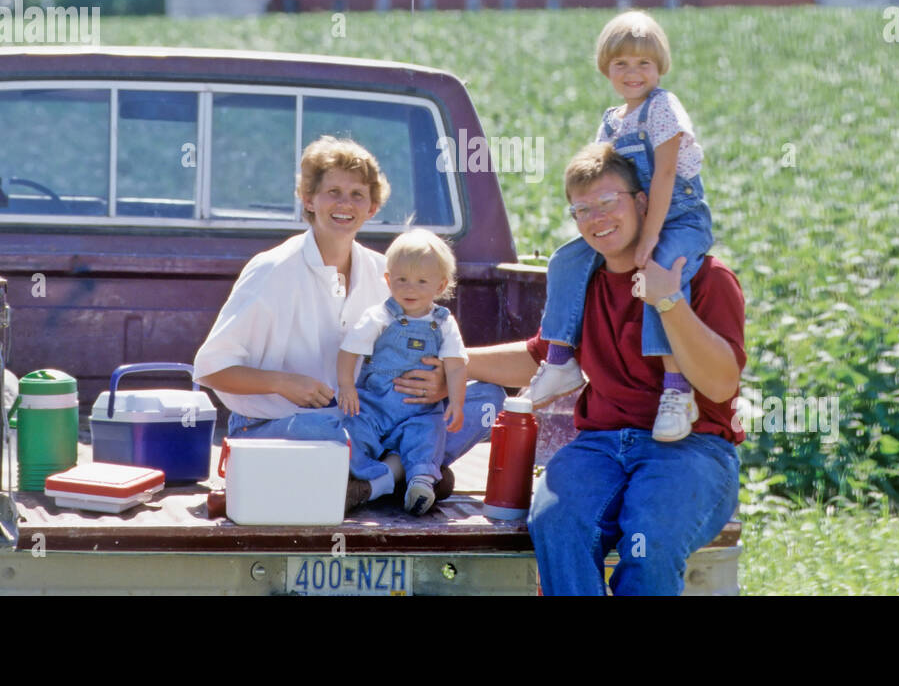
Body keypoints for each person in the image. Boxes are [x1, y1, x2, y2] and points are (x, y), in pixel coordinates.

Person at [396, 143, 744, 595]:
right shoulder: (584, 281)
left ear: (642, 202)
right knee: (555, 521)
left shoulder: (703, 276)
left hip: (691, 450)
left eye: (608, 202)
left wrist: (669, 300)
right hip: (599, 446)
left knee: (651, 541)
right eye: (583, 209)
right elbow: (539, 356)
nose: (597, 218)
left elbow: (720, 385)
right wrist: (454, 367)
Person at [193, 135, 503, 513]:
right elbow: (210, 370)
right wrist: (282, 383)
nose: (345, 204)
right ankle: (403, 473)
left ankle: (377, 477)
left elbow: (419, 345)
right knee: (327, 431)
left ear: (372, 207)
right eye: (333, 192)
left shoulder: (385, 272)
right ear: (309, 199)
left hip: (368, 417)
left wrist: (436, 387)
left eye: (358, 194)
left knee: (487, 400)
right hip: (282, 426)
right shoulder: (272, 270)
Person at [527, 11, 714, 442]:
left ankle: (676, 389)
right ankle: (559, 359)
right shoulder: (612, 120)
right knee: (567, 259)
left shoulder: (662, 108)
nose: (633, 73)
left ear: (660, 67)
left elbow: (665, 174)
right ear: (606, 69)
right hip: (634, 217)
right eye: (622, 64)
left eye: (643, 64)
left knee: (659, 274)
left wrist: (650, 236)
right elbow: (600, 171)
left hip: (678, 217)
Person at [337, 230, 468, 515]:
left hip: (419, 409)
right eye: (402, 280)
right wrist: (346, 386)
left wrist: (456, 402)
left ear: (440, 285)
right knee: (352, 429)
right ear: (388, 280)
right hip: (374, 401)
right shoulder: (379, 316)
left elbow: (456, 365)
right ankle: (360, 474)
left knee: (429, 433)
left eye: (422, 281)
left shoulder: (443, 323)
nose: (411, 289)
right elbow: (350, 351)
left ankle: (420, 482)